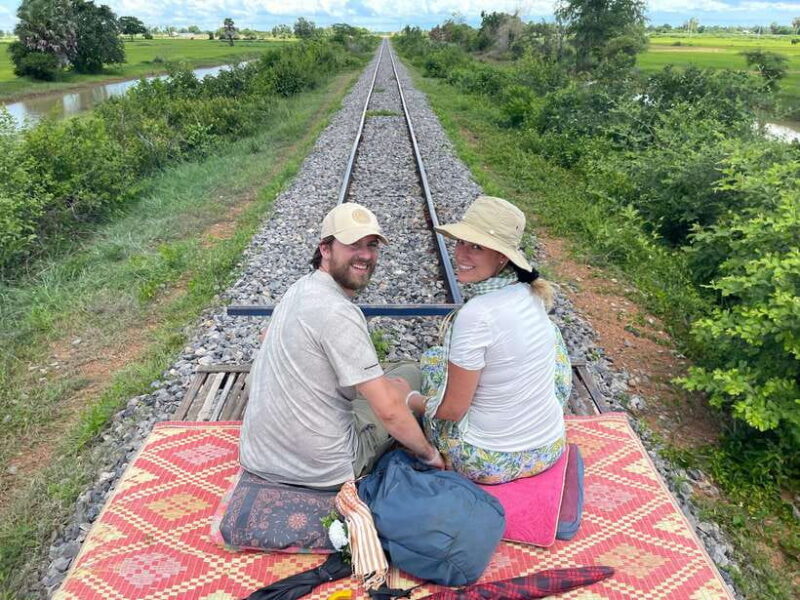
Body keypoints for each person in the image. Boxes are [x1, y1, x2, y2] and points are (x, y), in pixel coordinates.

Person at [240, 202, 444, 490]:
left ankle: (393, 391)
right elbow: (388, 411)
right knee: (410, 373)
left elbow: (266, 338)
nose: (365, 255)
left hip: (258, 456)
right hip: (325, 469)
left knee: (386, 381)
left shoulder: (299, 288)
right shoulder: (338, 312)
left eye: (371, 245)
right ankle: (414, 408)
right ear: (325, 249)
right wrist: (431, 455)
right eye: (352, 244)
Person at [406, 195, 571, 485]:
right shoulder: (532, 294)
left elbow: (452, 411)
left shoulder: (477, 315)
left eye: (477, 247)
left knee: (433, 361)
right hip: (548, 447)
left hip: (486, 460)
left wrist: (409, 399)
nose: (461, 255)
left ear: (502, 256)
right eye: (461, 242)